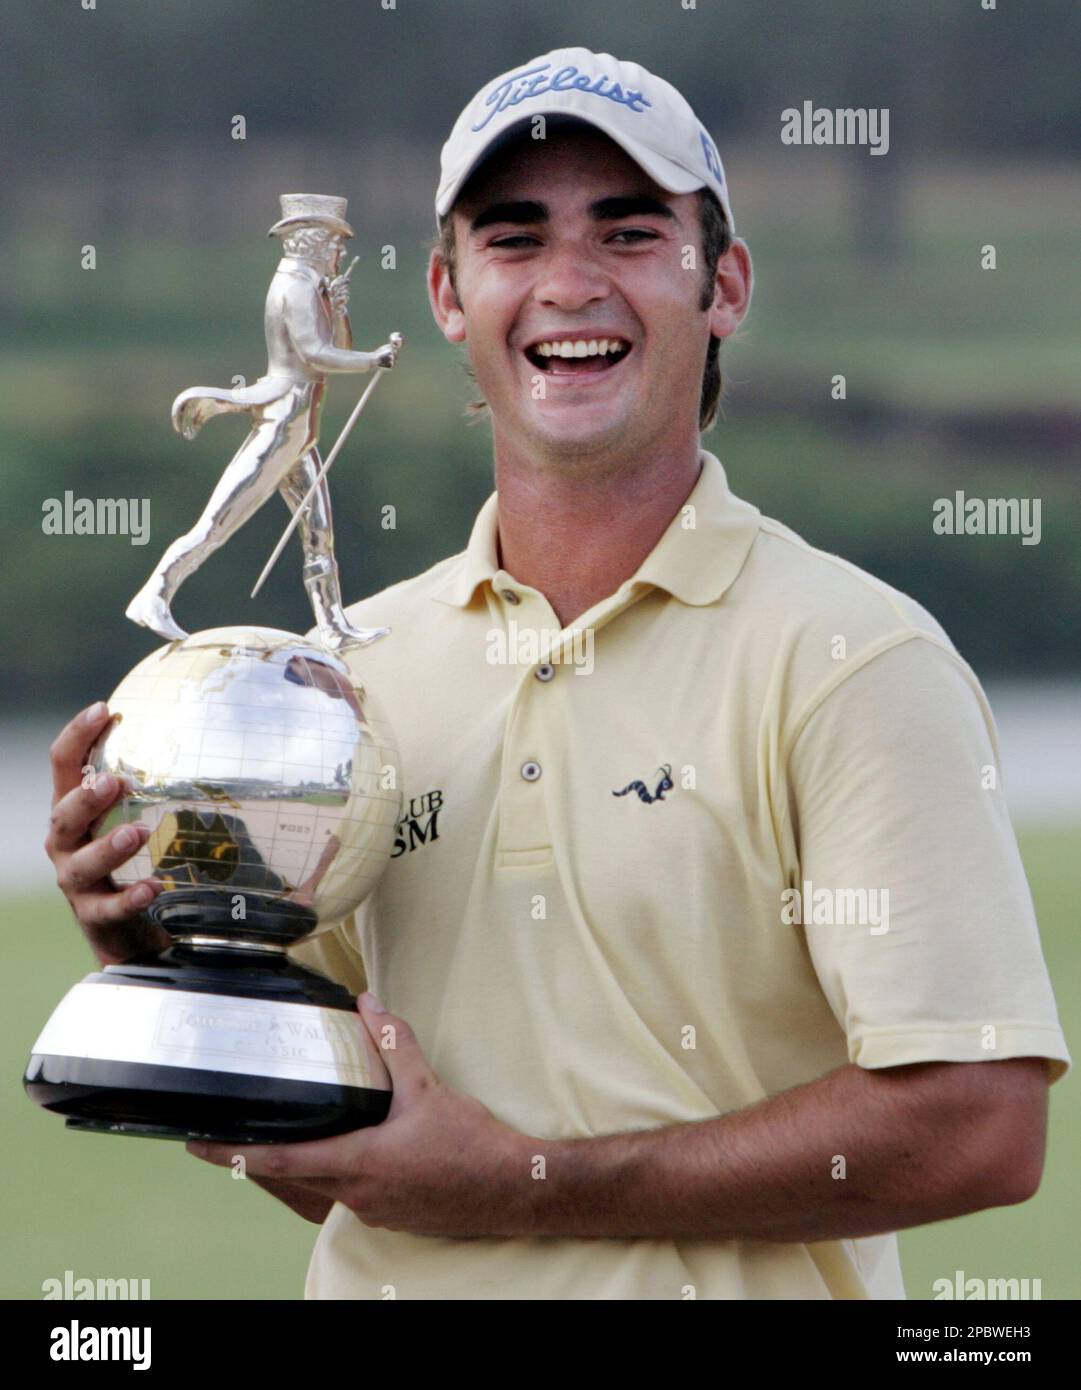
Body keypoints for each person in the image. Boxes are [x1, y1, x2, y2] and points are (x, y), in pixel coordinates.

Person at [46, 47, 1070, 1300]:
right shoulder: (339, 682)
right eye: (514, 240)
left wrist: (531, 1177)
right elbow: (323, 1136)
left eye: (631, 233)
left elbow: (979, 1122)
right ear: (445, 292)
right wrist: (158, 945)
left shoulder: (858, 662)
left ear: (725, 282)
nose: (569, 285)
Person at [125, 192, 400, 652]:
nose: (341, 253)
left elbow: (335, 344)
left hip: (301, 434)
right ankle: (153, 595)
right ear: (314, 242)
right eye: (336, 244)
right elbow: (316, 355)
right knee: (217, 523)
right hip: (281, 424)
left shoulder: (313, 285)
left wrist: (341, 309)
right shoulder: (293, 287)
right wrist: (373, 359)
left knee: (318, 535)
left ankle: (332, 625)